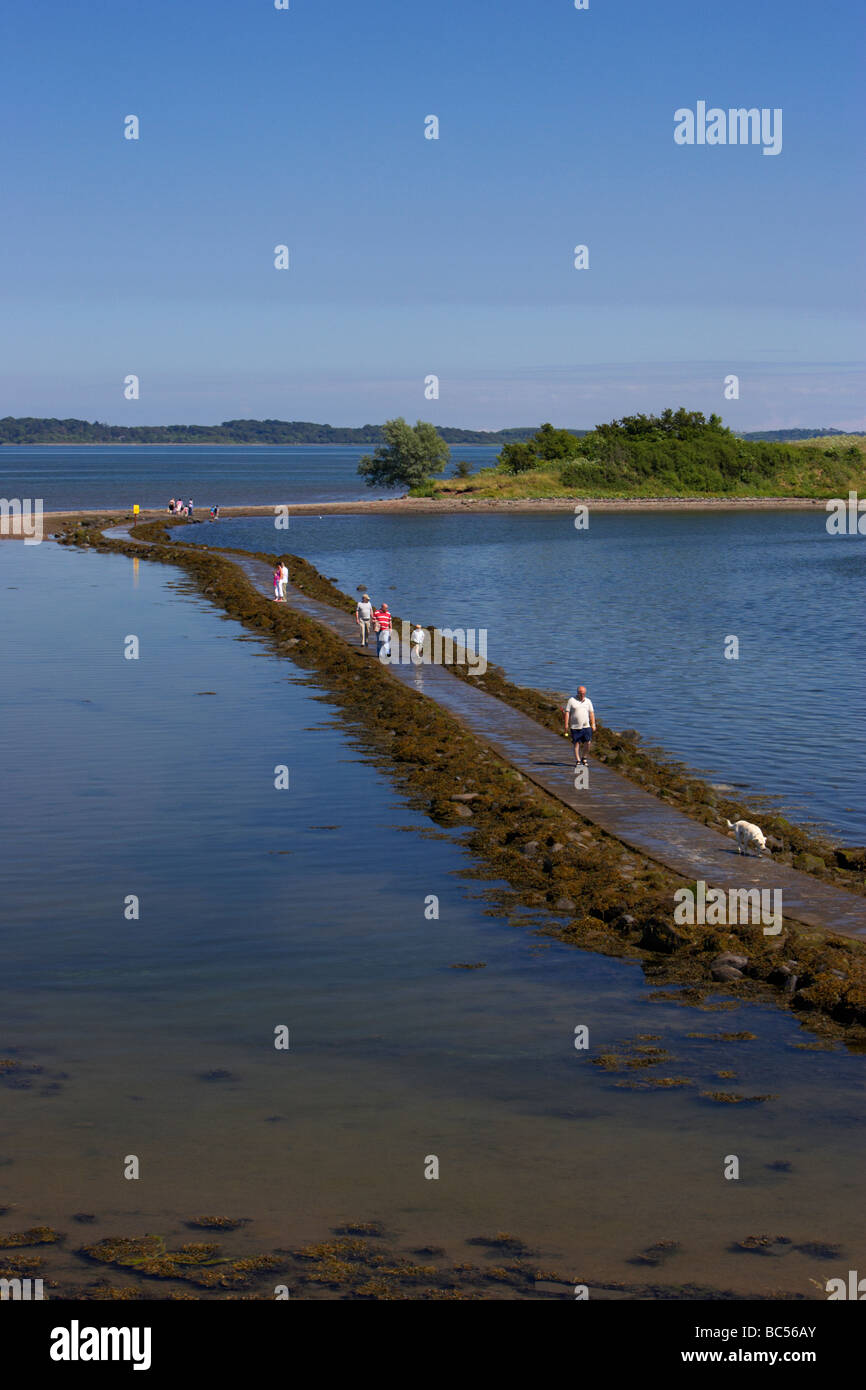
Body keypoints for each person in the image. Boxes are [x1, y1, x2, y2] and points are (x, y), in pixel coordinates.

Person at [563, 684, 597, 765]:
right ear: (577, 693)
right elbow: (567, 713)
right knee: (576, 743)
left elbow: (591, 713)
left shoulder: (588, 701)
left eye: (584, 693)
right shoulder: (571, 700)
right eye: (581, 693)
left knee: (588, 742)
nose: (582, 694)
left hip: (586, 726)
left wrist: (593, 724)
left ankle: (584, 757)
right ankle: (578, 760)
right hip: (575, 726)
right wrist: (566, 724)